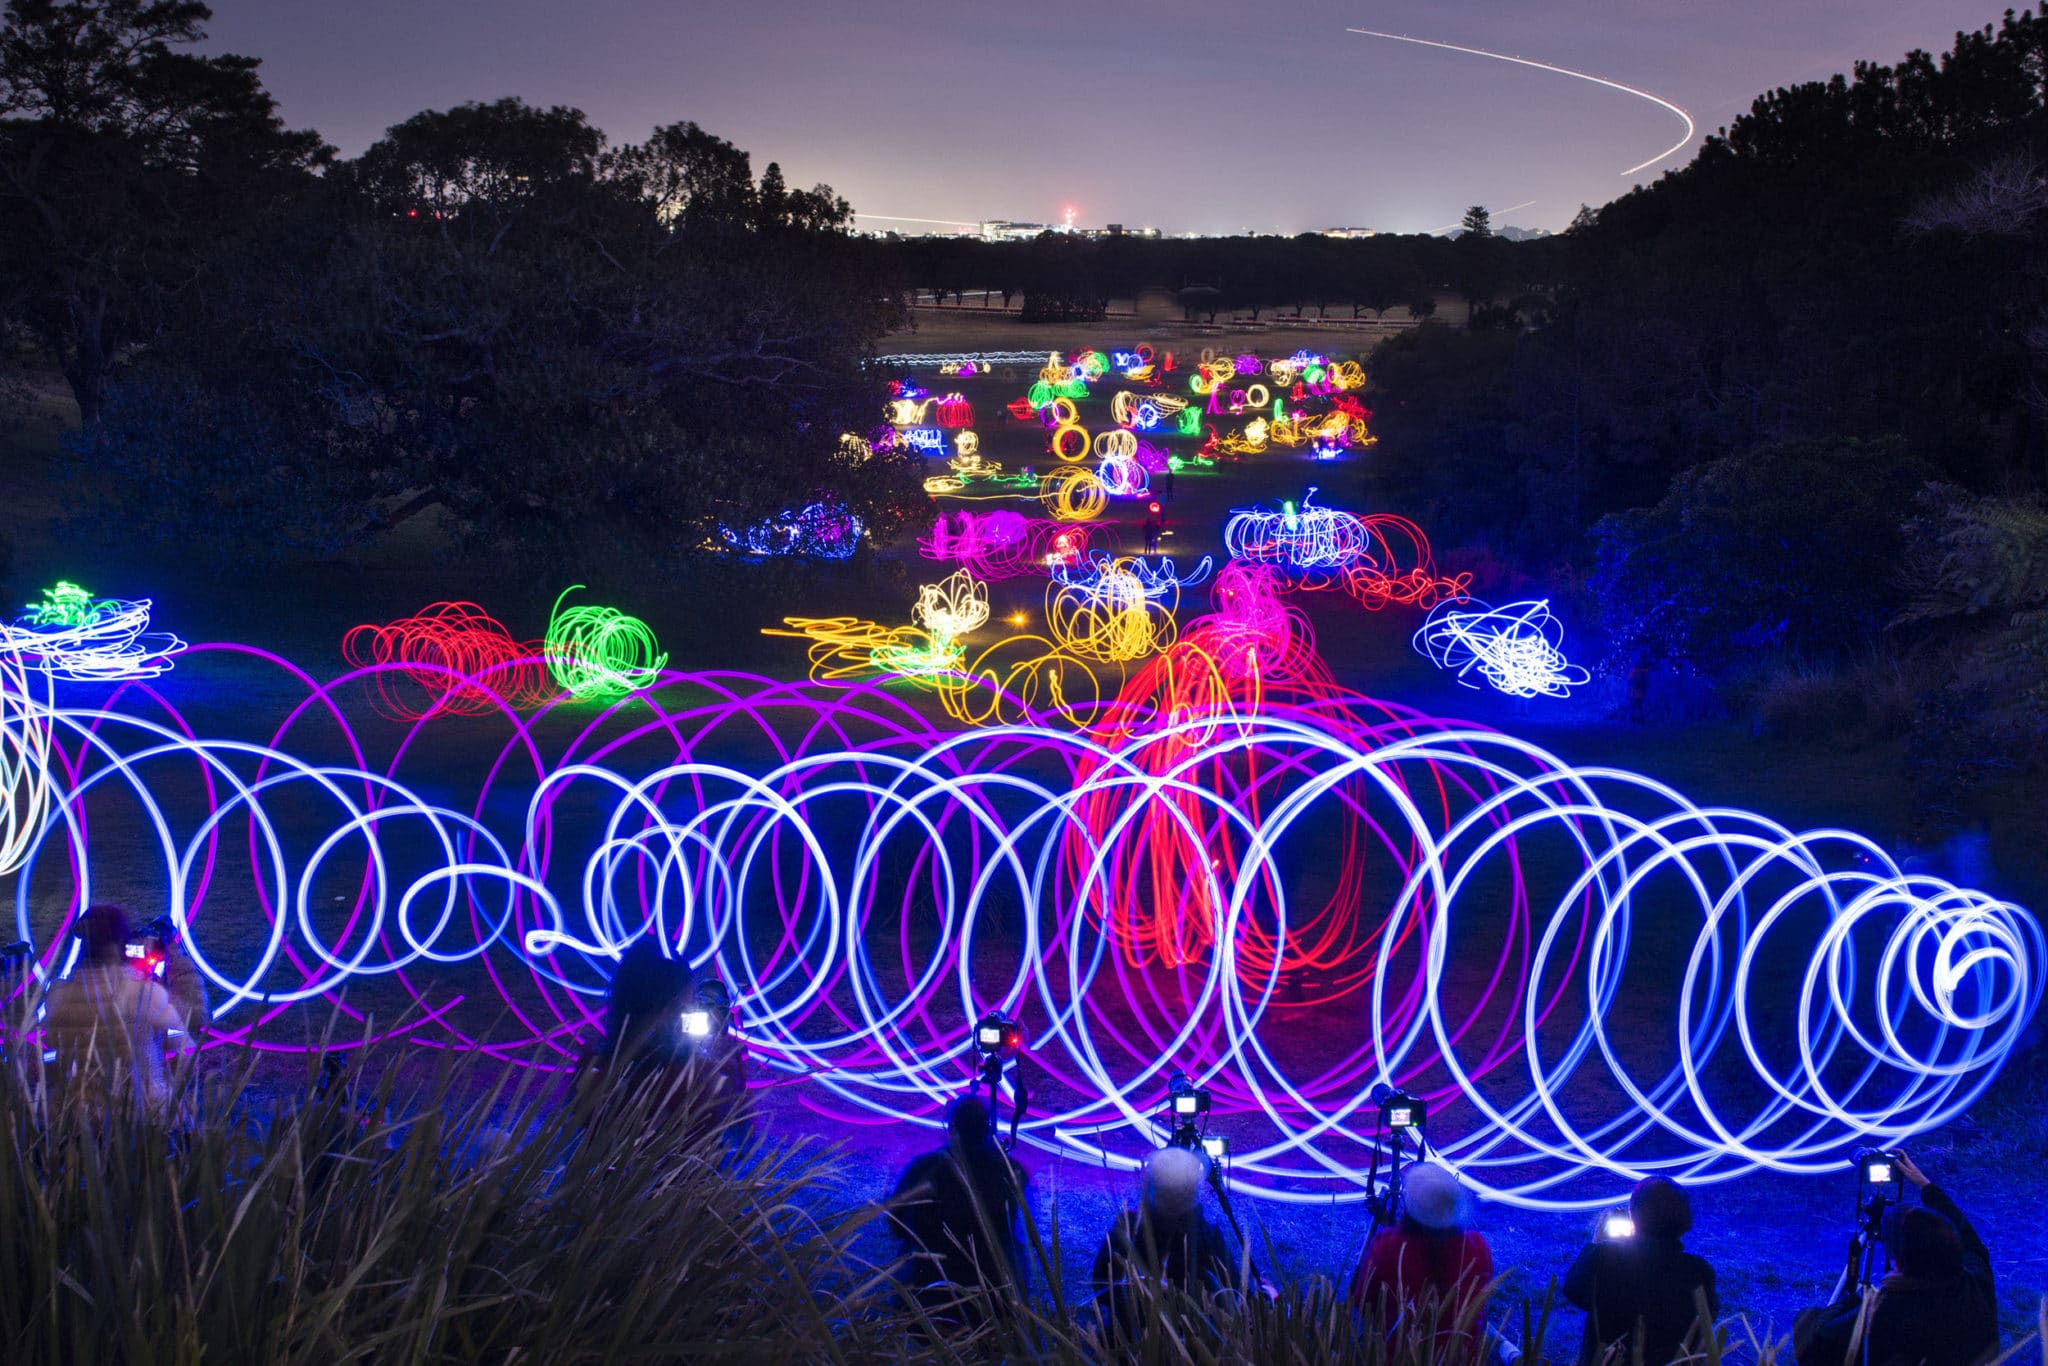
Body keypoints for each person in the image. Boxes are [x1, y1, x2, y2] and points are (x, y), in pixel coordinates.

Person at [1793, 1152, 1997, 1366]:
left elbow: (1816, 1343)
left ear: (1899, 1262)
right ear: (1952, 1247)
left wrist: (1857, 1301)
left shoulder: (1889, 1313)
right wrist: (1926, 1186)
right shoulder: (1977, 1281)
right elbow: (1971, 1241)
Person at [39, 904, 193, 1109]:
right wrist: (173, 956)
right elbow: (184, 1043)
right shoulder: (144, 994)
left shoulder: (58, 996)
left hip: (80, 1118)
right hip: (145, 1114)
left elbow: (52, 1042)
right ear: (122, 944)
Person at [888, 1095, 1029, 1312]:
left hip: (929, 1291)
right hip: (992, 1293)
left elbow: (895, 1223)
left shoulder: (925, 1169)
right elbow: (1023, 1231)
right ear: (988, 1128)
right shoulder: (1011, 1172)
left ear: (951, 1127)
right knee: (1016, 1250)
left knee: (906, 1252)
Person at [591, 936, 748, 1130]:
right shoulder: (693, 1079)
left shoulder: (593, 1066)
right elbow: (735, 1138)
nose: (692, 1011)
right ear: (672, 1008)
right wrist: (728, 1071)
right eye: (690, 1002)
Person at [1562, 1177, 1718, 1366]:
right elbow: (1708, 1316)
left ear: (1634, 1214)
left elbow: (1573, 1290)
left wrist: (1599, 1246)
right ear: (1685, 1219)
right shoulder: (1698, 1273)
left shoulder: (1604, 1258)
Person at [1093, 1146, 1242, 1335]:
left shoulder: (1126, 1231)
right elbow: (1231, 1287)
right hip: (1193, 1337)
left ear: (1147, 1187)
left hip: (1131, 1334)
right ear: (1196, 1194)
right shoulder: (1206, 1237)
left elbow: (1101, 1285)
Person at [1351, 1163, 1495, 1350]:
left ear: (1408, 1204)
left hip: (1399, 1355)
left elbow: (1363, 1302)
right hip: (1459, 1356)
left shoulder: (1388, 1246)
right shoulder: (1477, 1248)